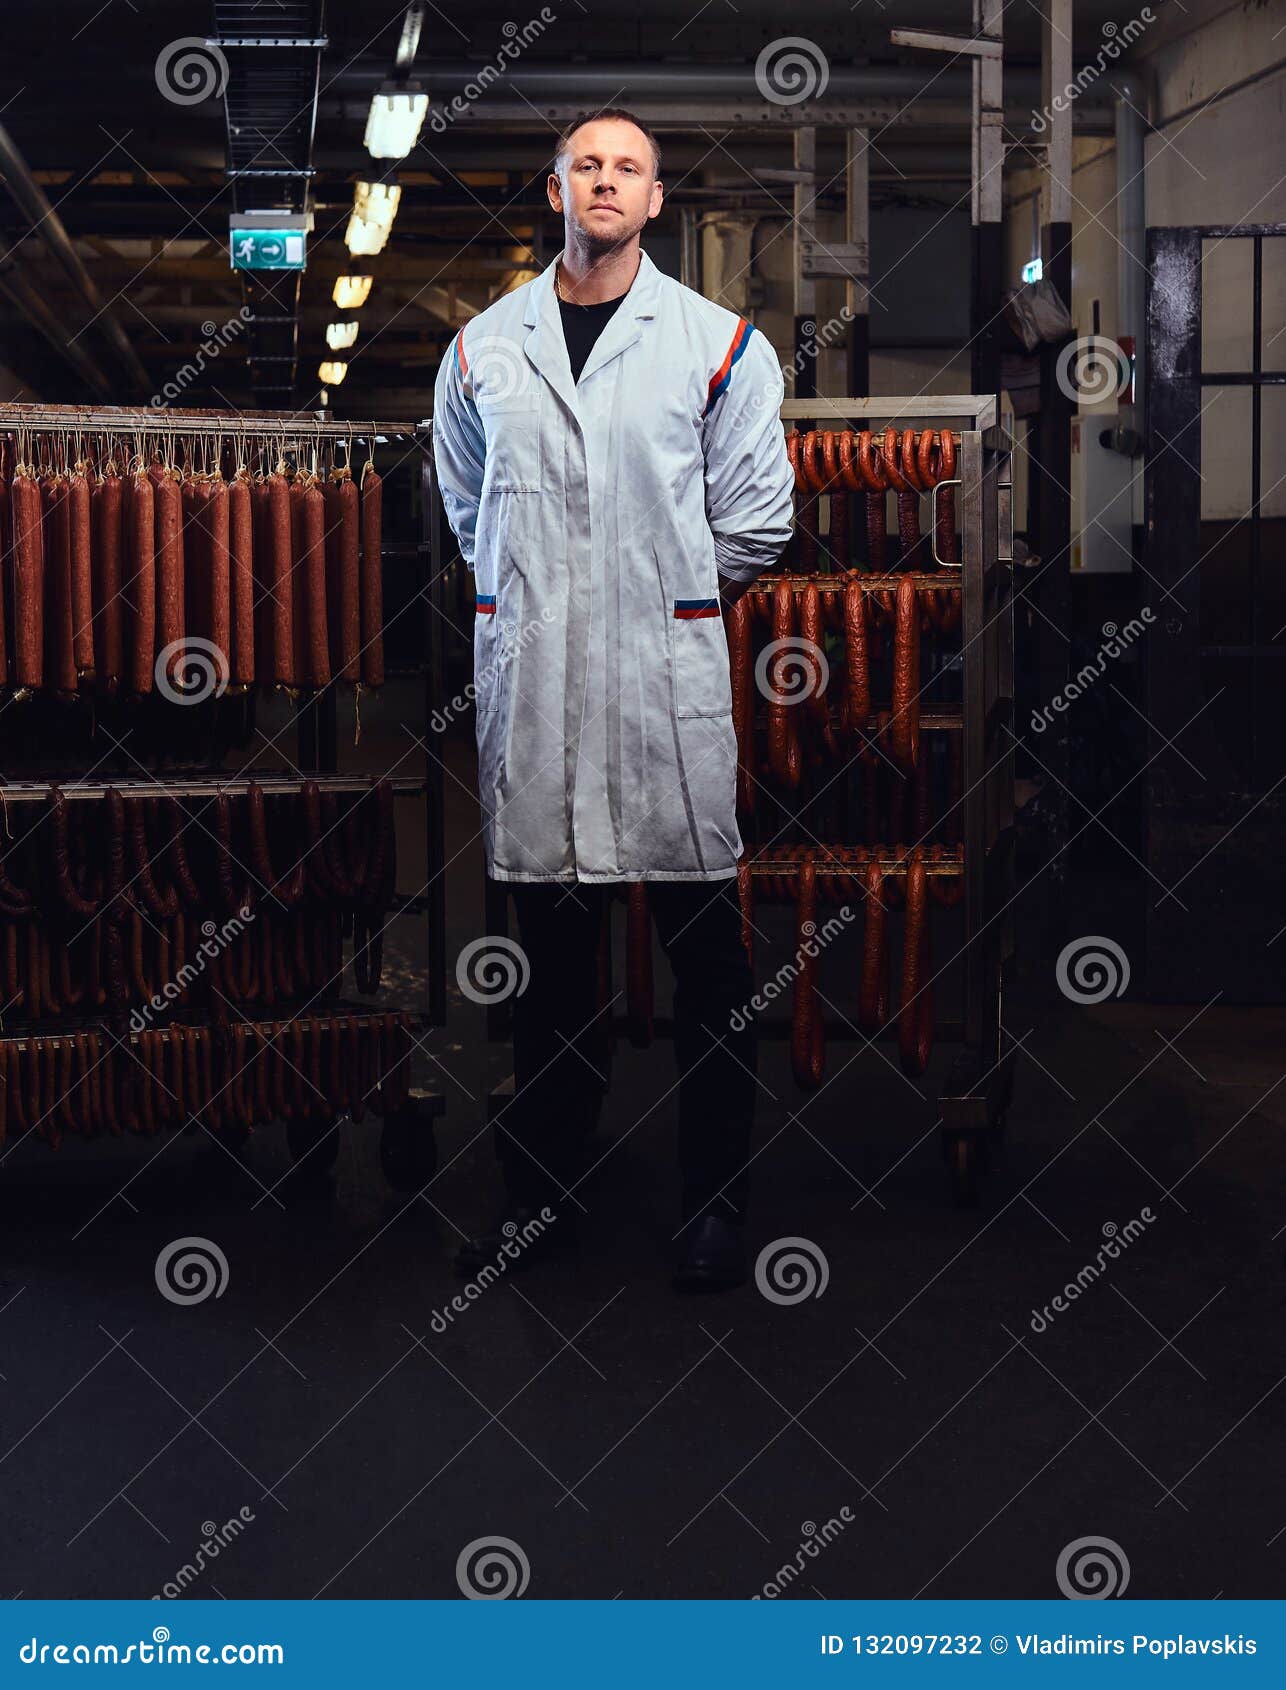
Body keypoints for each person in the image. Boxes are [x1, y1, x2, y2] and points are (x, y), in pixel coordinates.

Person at [432, 107, 793, 1290]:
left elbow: (755, 519)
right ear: (553, 193)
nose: (604, 180)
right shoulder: (483, 350)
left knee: (709, 975)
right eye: (584, 163)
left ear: (652, 203)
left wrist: (662, 603)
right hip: (539, 699)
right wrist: (552, 605)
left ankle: (716, 1207)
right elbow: (468, 511)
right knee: (554, 980)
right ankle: (541, 1206)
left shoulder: (717, 344)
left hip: (662, 696)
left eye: (627, 167)